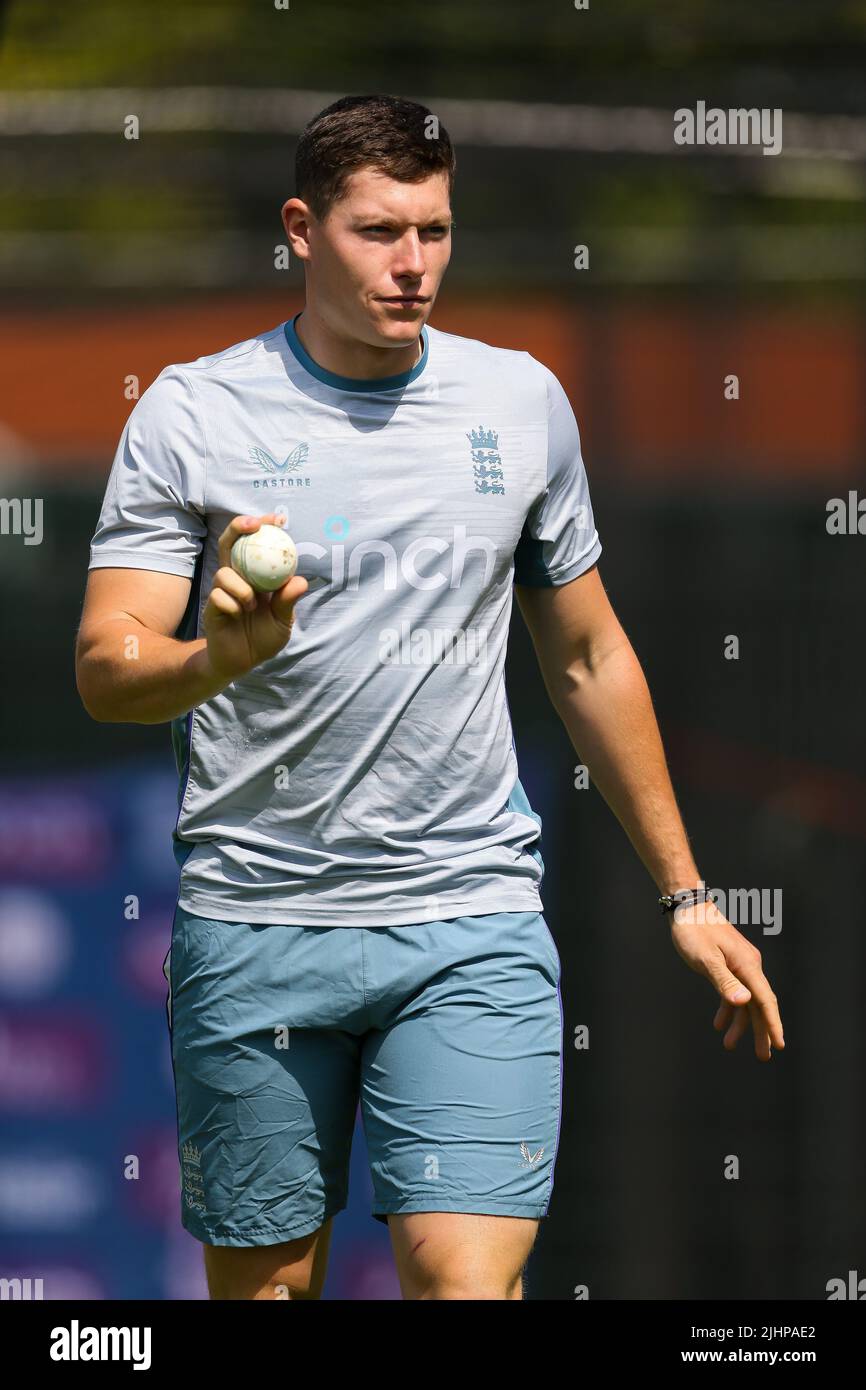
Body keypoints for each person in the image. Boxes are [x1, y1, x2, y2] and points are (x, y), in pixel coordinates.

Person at [75, 93, 784, 1301]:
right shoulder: (193, 412)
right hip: (256, 923)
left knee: (462, 1286)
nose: (413, 266)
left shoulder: (519, 404)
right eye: (378, 232)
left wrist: (686, 890)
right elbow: (106, 665)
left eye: (435, 231)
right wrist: (216, 663)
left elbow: (586, 659)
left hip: (470, 923)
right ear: (301, 230)